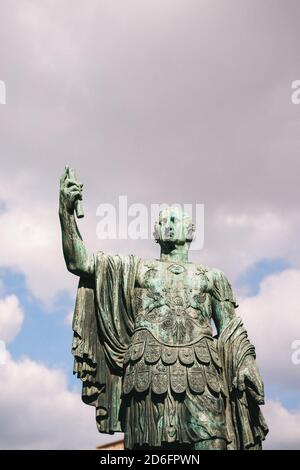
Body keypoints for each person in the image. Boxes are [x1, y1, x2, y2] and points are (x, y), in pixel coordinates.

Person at [59, 167, 268, 450]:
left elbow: (230, 330)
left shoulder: (212, 276)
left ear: (191, 231)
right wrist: (66, 213)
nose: (168, 224)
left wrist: (246, 363)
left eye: (175, 219)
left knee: (212, 443)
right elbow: (80, 263)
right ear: (156, 232)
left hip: (202, 374)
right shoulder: (137, 269)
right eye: (163, 221)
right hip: (147, 373)